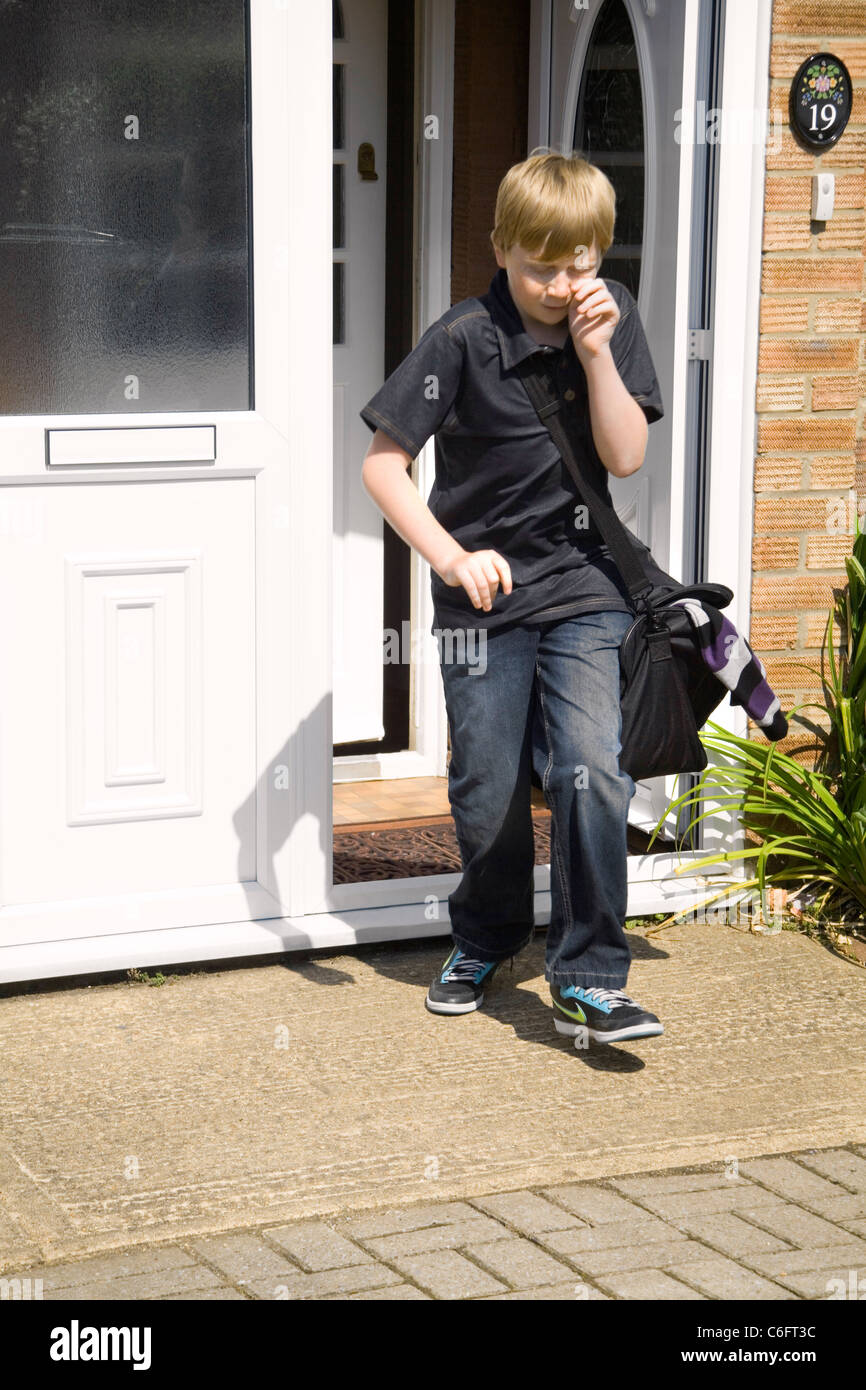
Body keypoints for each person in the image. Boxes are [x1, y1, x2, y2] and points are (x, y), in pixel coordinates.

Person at [360, 151, 666, 1045]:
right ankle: (488, 935)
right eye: (540, 265)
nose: (560, 284)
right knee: (487, 787)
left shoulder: (610, 322)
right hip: (480, 602)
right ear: (500, 249)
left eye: (579, 264)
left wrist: (598, 354)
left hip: (583, 587)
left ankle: (591, 975)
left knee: (589, 766)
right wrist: (453, 558)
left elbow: (626, 457)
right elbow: (385, 468)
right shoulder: (460, 339)